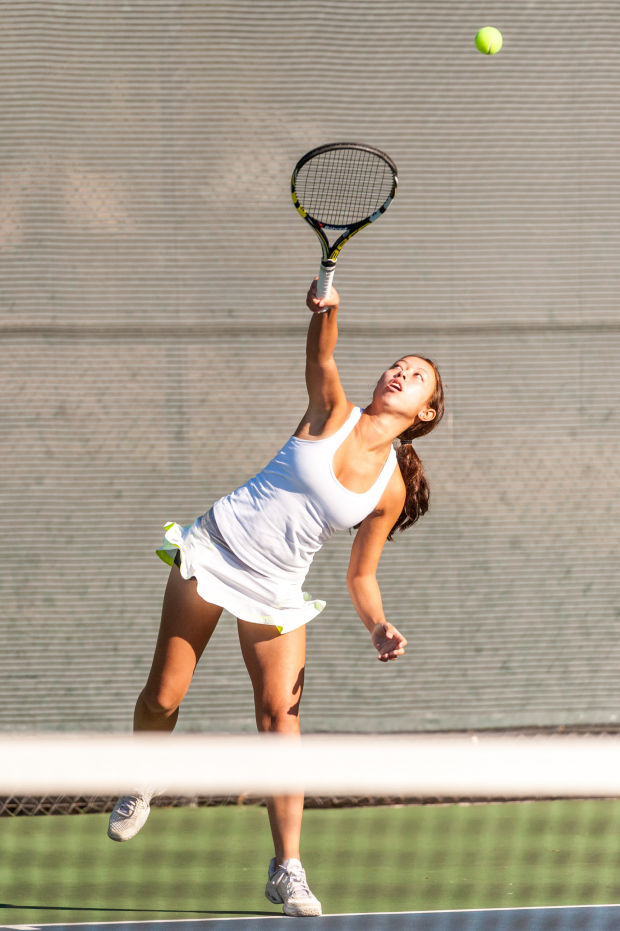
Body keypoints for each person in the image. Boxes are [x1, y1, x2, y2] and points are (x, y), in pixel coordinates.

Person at [107, 279, 445, 918]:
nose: (401, 373)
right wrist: (329, 311)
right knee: (163, 697)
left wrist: (377, 625)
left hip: (277, 589)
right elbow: (322, 356)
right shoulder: (331, 409)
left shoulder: (391, 489)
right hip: (214, 551)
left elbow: (360, 576)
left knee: (280, 724)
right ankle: (142, 776)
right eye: (398, 365)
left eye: (418, 376)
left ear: (426, 411)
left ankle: (287, 870)